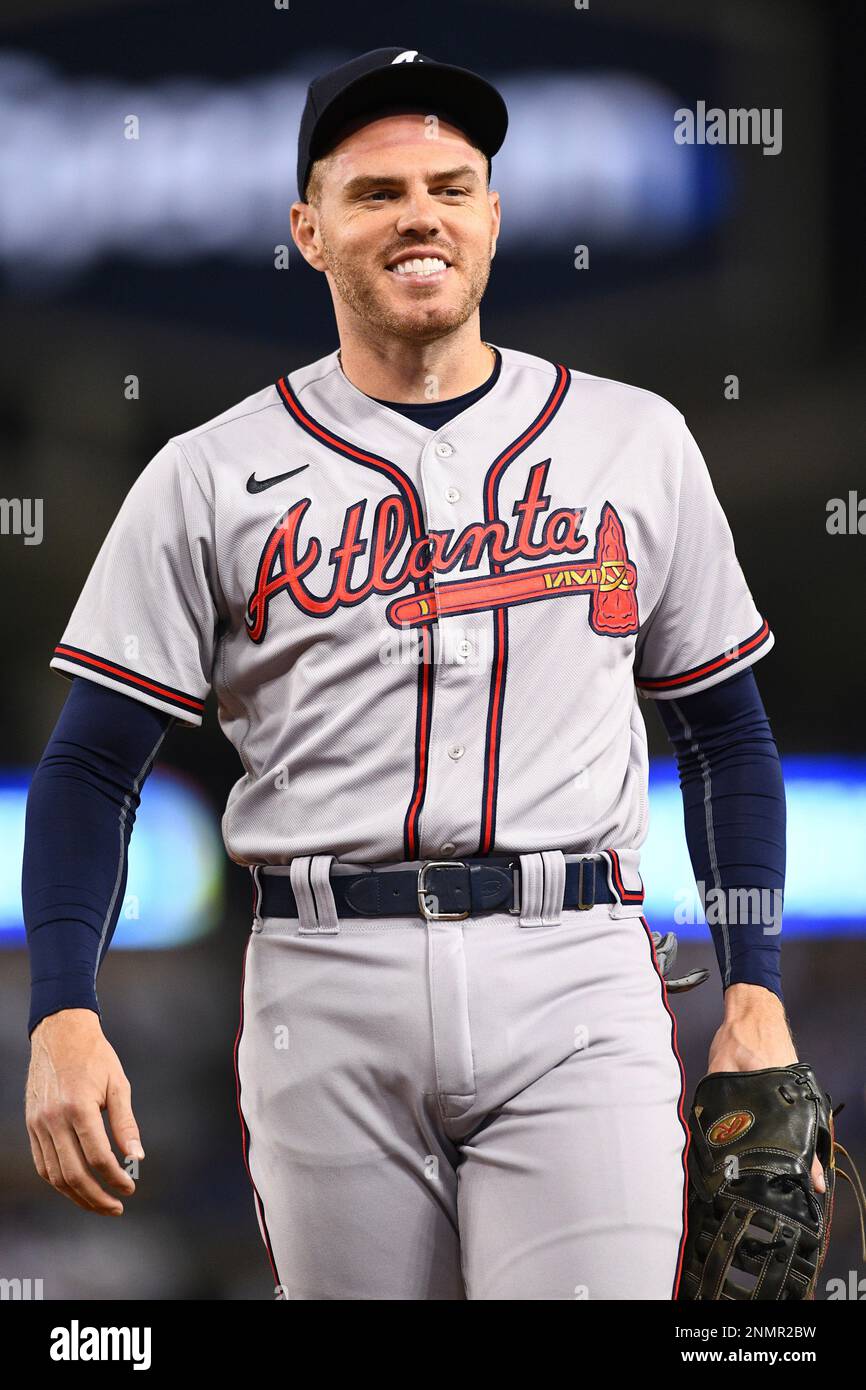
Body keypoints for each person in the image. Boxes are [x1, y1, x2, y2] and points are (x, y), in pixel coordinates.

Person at [22, 47, 821, 1301]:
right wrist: (63, 1009)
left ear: (491, 218)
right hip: (323, 978)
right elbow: (88, 766)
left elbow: (725, 735)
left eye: (450, 188)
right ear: (308, 230)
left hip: (574, 968)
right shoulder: (208, 473)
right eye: (376, 192)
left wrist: (754, 991)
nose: (419, 216)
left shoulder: (633, 440)